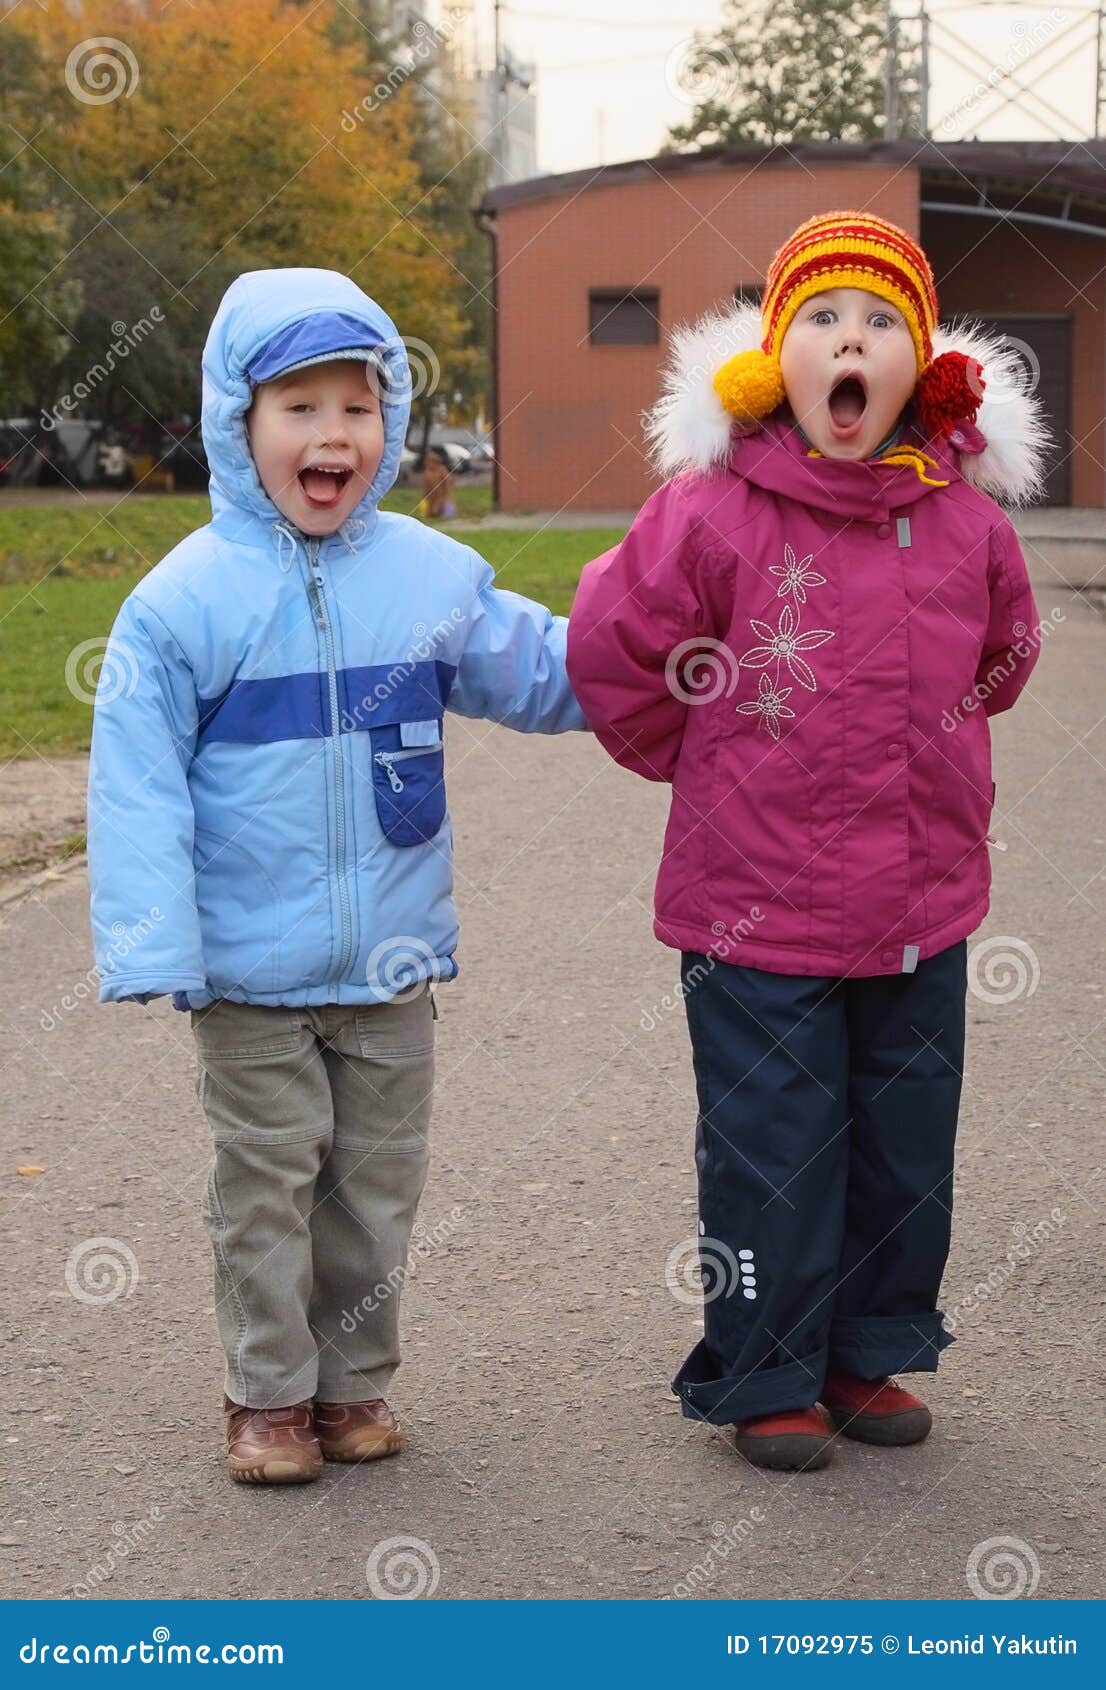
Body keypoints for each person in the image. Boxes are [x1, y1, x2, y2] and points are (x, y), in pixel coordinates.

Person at [87, 267, 585, 1485]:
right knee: (265, 1186)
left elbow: (543, 668)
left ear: (390, 421)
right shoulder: (182, 605)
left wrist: (665, 668)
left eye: (356, 407)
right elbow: (137, 785)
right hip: (248, 974)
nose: (331, 434)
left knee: (371, 1191)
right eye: (296, 407)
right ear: (236, 424)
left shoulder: (424, 576)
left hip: (391, 964)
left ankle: (352, 1383)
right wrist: (156, 943)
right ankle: (266, 1392)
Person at [567, 211, 1047, 1473]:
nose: (850, 341)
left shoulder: (964, 523)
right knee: (773, 1148)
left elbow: (1004, 655)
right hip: (753, 909)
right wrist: (696, 757)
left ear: (922, 367)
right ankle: (764, 1369)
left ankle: (864, 1346)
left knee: (902, 1139)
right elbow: (618, 644)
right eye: (821, 319)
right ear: (774, 358)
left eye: (880, 322)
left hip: (918, 902)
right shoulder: (713, 511)